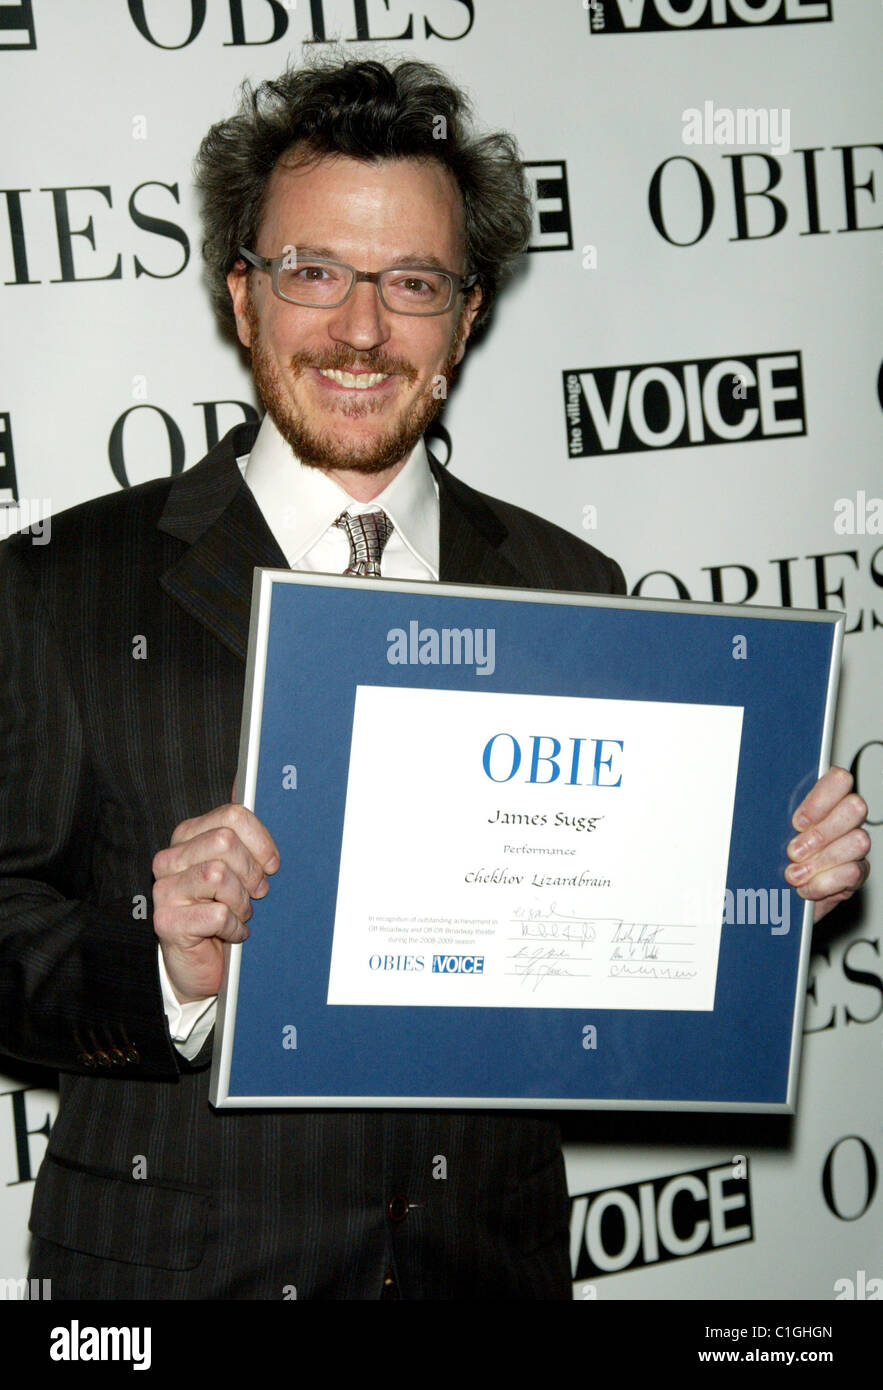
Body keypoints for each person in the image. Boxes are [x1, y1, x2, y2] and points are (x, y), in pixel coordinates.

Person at [0, 55, 870, 1301]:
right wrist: (166, 961)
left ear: (465, 317)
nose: (361, 328)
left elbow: (609, 931)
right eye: (314, 273)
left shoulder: (569, 582)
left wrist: (762, 885)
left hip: (488, 1271)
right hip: (178, 1277)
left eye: (411, 282)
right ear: (242, 296)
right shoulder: (57, 584)